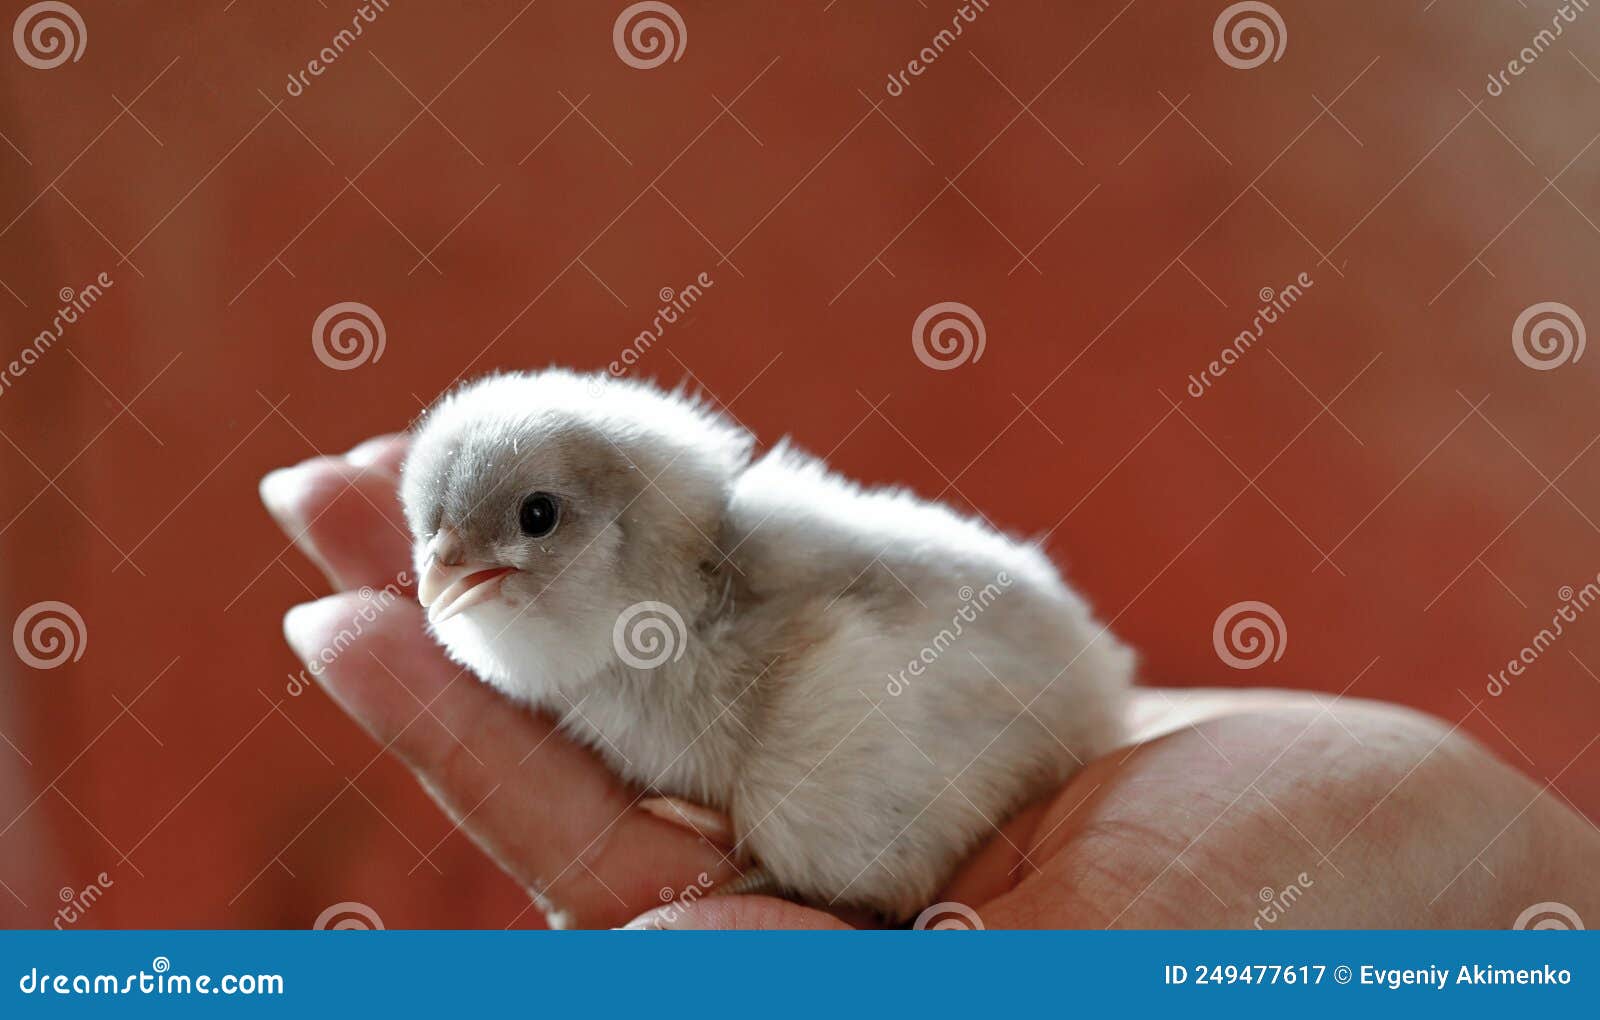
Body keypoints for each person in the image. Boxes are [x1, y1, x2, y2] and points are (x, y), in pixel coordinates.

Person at [260, 435, 1600, 930]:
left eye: (533, 521)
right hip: (1038, 690)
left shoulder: (730, 569)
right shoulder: (637, 615)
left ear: (625, 512)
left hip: (995, 709)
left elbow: (919, 630)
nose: (451, 570)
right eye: (440, 540)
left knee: (814, 801)